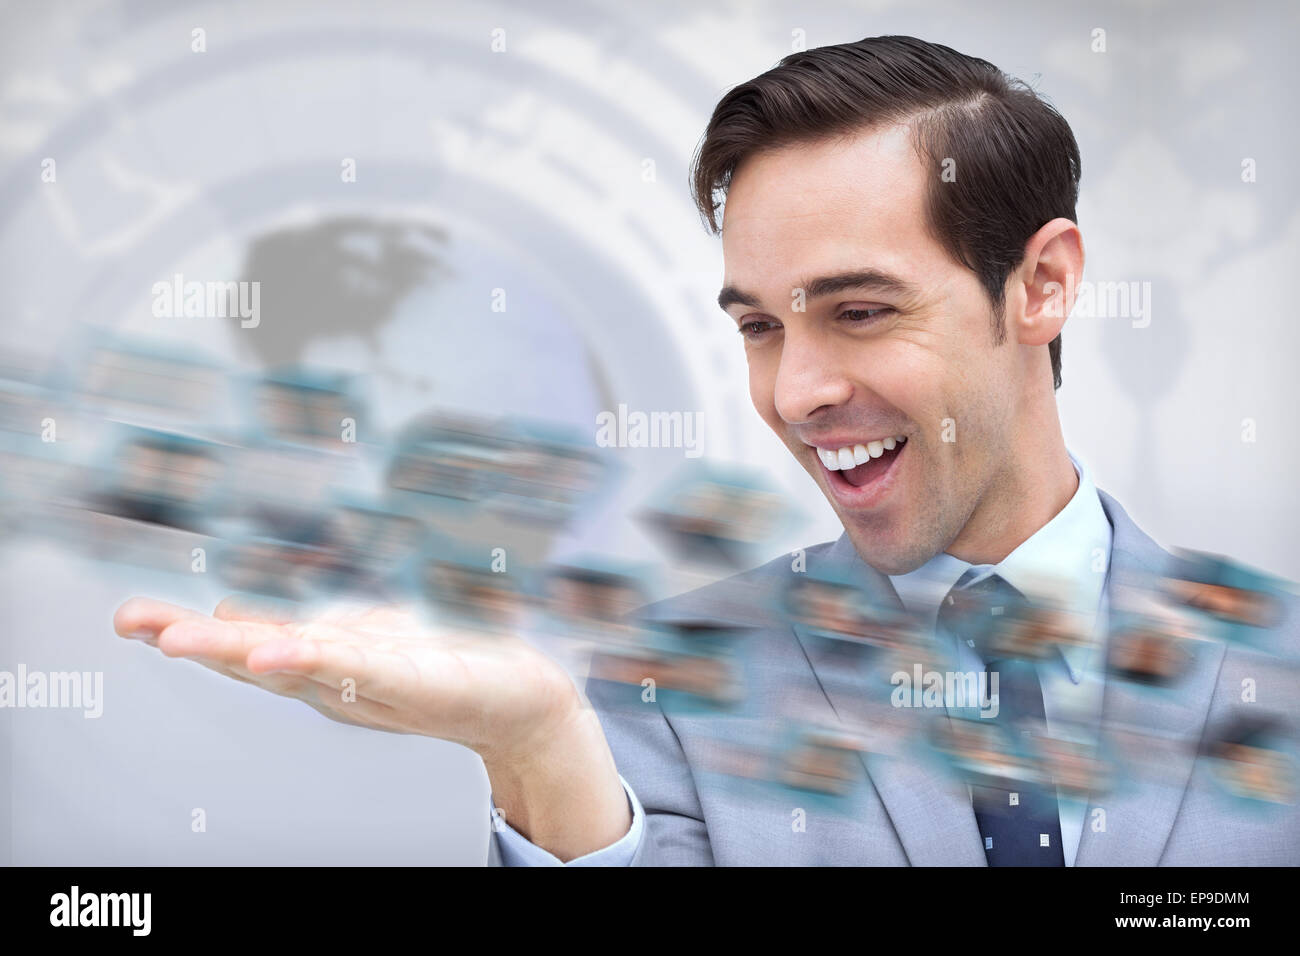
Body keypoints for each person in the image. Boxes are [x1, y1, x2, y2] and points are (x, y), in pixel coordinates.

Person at [113, 35, 1299, 866]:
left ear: (1041, 284)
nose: (796, 390)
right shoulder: (665, 682)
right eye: (759, 326)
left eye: (861, 310)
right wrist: (539, 752)